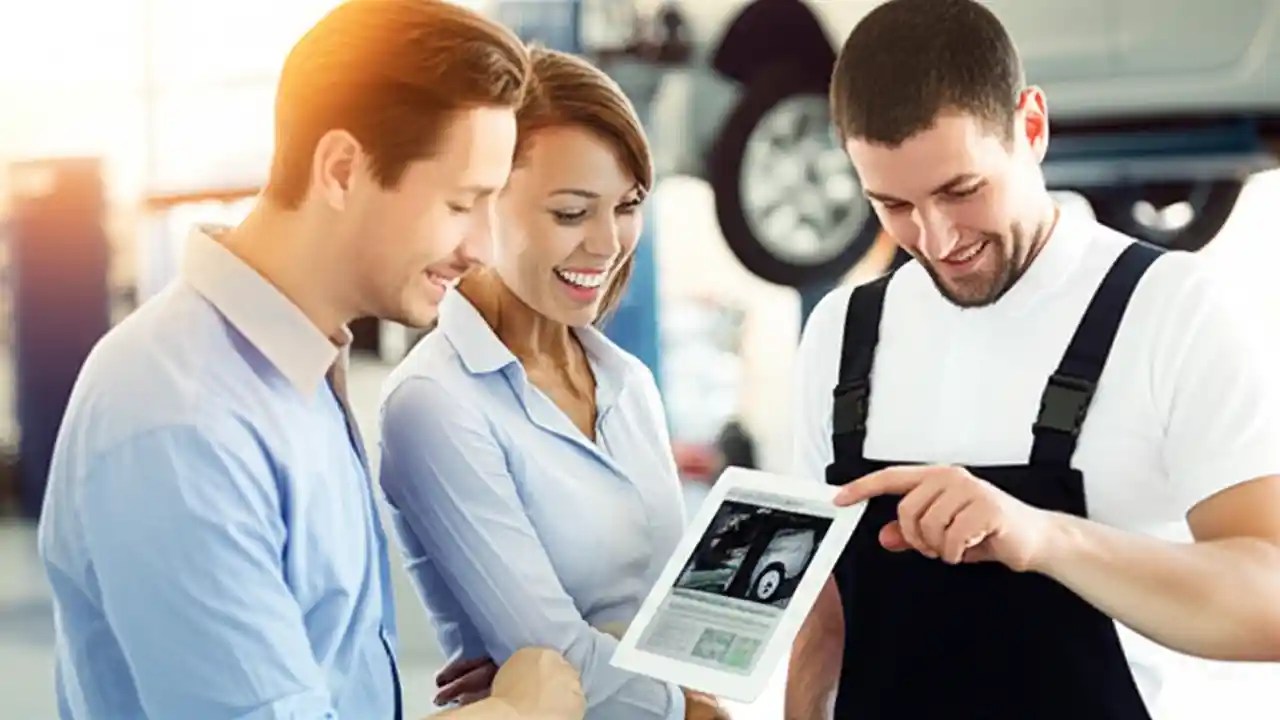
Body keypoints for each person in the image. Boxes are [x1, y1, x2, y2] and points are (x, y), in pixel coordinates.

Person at [37, 1, 585, 718]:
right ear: (340, 169)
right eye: (461, 203)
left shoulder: (299, 364)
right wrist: (518, 712)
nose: (482, 246)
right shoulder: (179, 423)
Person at [785, 1, 1280, 718]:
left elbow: (1270, 599)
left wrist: (1045, 537)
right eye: (892, 203)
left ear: (1032, 127)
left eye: (962, 190)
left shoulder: (1173, 310)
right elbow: (823, 609)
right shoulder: (841, 331)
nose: (936, 237)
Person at [377, 47, 729, 720]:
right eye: (571, 213)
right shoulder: (434, 404)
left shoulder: (629, 382)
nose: (608, 243)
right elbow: (555, 660)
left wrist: (618, 660)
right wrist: (690, 706)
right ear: (483, 207)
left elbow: (657, 617)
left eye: (626, 205)